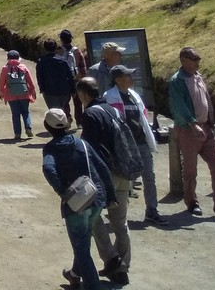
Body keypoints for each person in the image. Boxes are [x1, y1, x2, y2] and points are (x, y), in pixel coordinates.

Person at [77, 77, 143, 286]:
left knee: (93, 218)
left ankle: (112, 259)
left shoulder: (90, 114)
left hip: (104, 174)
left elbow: (90, 149)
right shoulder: (114, 110)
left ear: (84, 95)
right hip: (124, 170)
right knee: (120, 222)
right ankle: (123, 265)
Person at [42, 107, 116, 290]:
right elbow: (102, 167)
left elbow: (49, 169)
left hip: (76, 204)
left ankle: (92, 286)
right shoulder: (82, 143)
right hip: (96, 197)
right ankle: (74, 274)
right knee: (83, 239)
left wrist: (64, 192)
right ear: (67, 124)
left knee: (81, 247)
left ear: (47, 127)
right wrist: (111, 195)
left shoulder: (51, 148)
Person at [169, 46, 215, 217]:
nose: (197, 64)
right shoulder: (177, 81)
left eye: (198, 60)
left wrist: (209, 121)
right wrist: (193, 124)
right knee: (190, 170)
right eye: (194, 60)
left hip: (206, 128)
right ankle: (191, 202)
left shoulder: (198, 76)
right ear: (183, 60)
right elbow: (178, 106)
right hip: (188, 129)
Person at [105, 64, 164, 225]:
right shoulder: (109, 97)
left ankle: (152, 210)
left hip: (141, 142)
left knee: (149, 176)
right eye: (127, 75)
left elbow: (143, 117)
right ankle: (117, 212)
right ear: (117, 80)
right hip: (123, 146)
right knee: (122, 179)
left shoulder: (134, 95)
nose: (131, 78)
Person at [0, 49, 37, 140]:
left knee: (15, 115)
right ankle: (28, 127)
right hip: (24, 94)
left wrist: (1, 92)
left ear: (8, 58)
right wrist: (33, 90)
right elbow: (29, 80)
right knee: (25, 112)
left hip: (11, 95)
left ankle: (17, 134)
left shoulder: (5, 68)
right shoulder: (23, 67)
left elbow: (2, 82)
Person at [37, 38, 76, 114]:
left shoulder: (41, 61)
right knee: (61, 110)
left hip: (49, 91)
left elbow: (40, 77)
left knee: (54, 112)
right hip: (64, 91)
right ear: (55, 48)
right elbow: (70, 76)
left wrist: (42, 89)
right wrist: (73, 90)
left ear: (45, 48)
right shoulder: (63, 61)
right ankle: (65, 120)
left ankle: (60, 124)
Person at [60, 29, 88, 123]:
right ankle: (79, 121)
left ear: (61, 39)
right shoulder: (77, 51)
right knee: (78, 101)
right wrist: (83, 78)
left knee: (65, 101)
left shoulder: (59, 51)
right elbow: (82, 66)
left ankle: (67, 116)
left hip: (63, 80)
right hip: (76, 78)